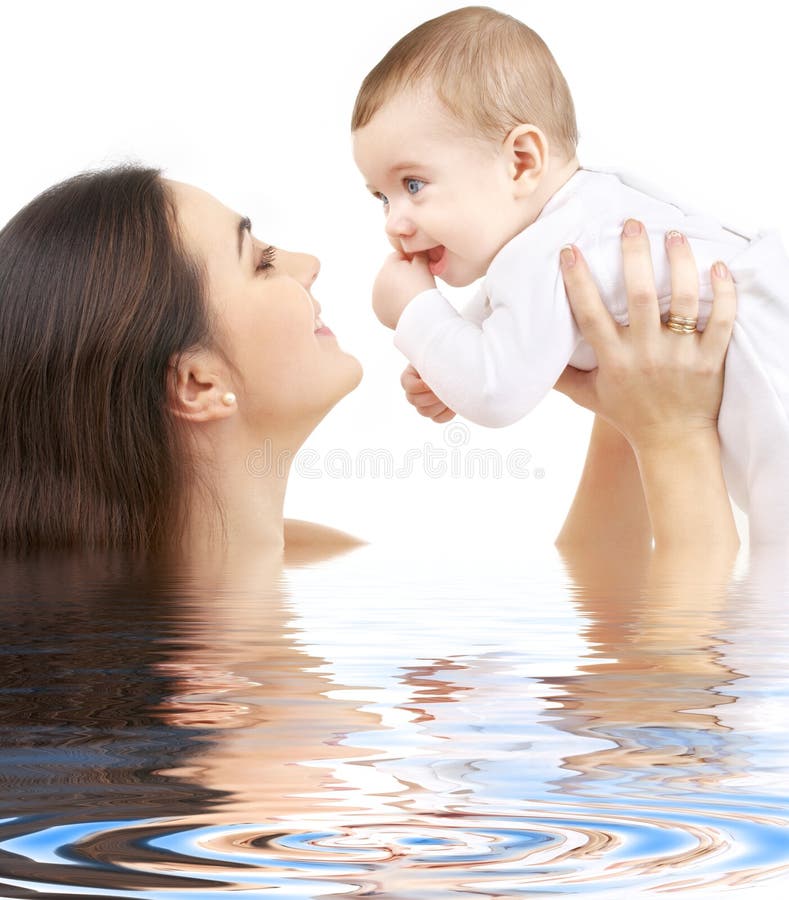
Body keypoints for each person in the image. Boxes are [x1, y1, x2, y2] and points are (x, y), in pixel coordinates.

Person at [0, 165, 735, 561]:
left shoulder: (312, 558)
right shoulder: (214, 665)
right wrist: (676, 437)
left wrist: (630, 412)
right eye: (260, 262)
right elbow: (675, 712)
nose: (310, 264)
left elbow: (604, 608)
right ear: (198, 382)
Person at [351, 5, 789, 545]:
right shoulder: (584, 211)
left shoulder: (549, 254)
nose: (395, 223)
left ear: (520, 162)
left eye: (413, 184)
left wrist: (416, 312)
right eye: (381, 197)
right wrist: (448, 361)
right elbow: (506, 319)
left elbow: (497, 393)